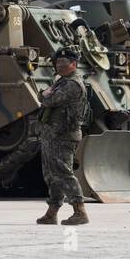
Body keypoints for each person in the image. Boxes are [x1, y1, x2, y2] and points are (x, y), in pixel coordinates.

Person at [36, 47, 90, 226]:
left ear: (73, 64)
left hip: (63, 135)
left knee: (63, 173)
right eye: (57, 62)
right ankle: (52, 213)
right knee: (52, 175)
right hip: (53, 134)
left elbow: (49, 100)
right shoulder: (62, 81)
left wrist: (43, 94)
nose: (59, 65)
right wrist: (44, 95)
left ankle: (80, 211)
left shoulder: (72, 84)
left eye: (63, 63)